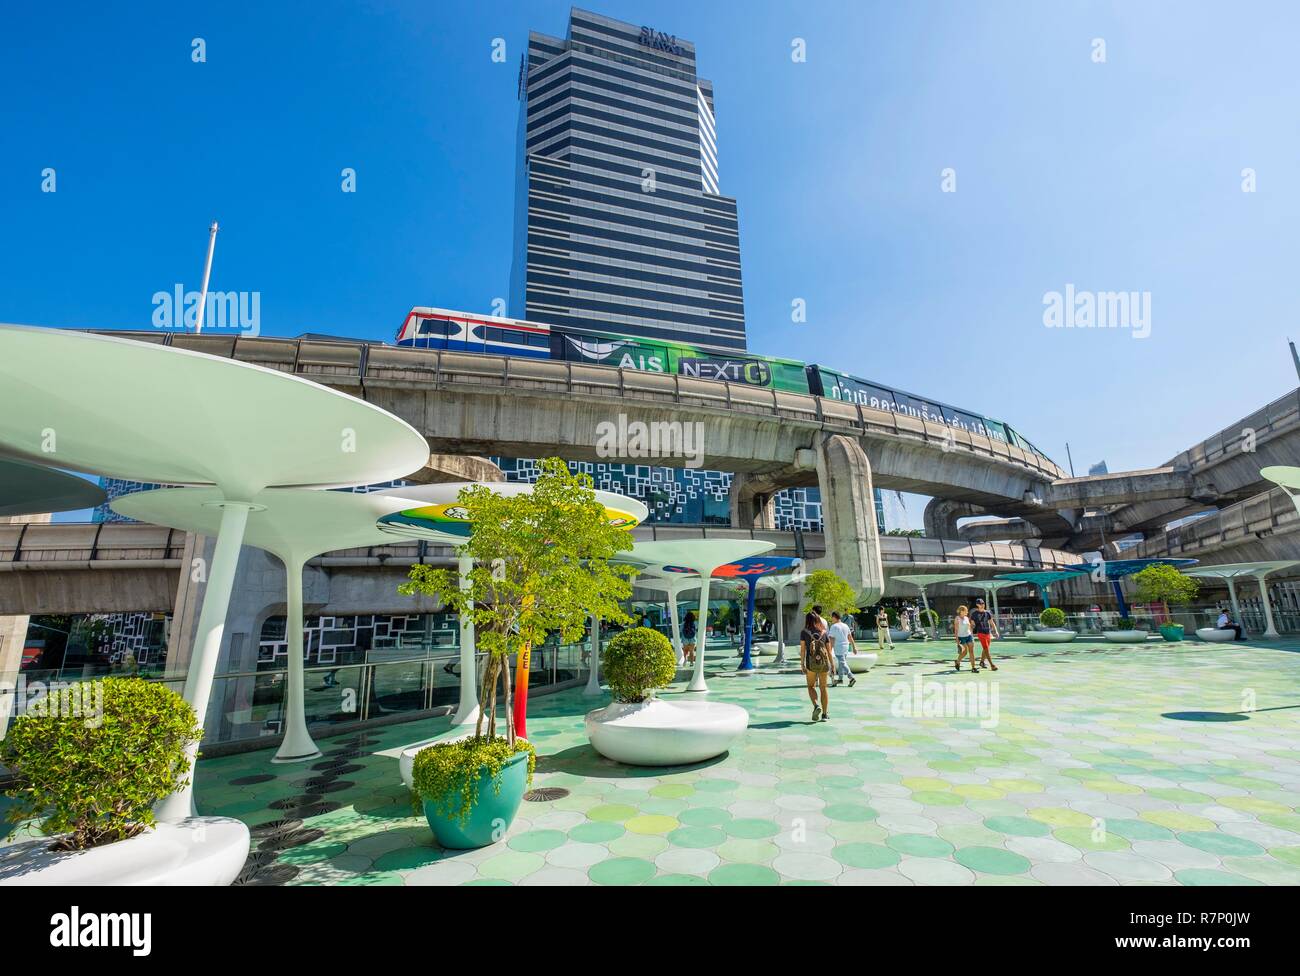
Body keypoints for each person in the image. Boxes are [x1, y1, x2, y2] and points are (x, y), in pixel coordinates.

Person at [800, 611, 832, 721]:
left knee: (811, 686)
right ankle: (824, 715)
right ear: (817, 620)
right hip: (823, 663)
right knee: (823, 688)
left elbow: (803, 650)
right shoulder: (824, 632)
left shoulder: (804, 632)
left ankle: (816, 705)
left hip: (811, 664)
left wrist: (802, 665)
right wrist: (832, 665)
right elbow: (828, 651)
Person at [828, 610, 857, 687]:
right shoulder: (845, 625)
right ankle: (840, 679)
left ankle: (851, 677)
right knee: (842, 663)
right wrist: (854, 647)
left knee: (842, 663)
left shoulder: (834, 627)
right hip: (846, 647)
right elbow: (850, 637)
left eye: (832, 617)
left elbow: (832, 639)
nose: (831, 619)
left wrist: (829, 650)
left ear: (834, 617)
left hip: (839, 647)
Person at [970, 597, 999, 671]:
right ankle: (992, 665)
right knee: (986, 649)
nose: (982, 605)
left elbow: (992, 623)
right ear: (977, 605)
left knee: (986, 649)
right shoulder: (974, 614)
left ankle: (982, 662)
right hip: (981, 633)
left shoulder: (987, 613)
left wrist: (996, 631)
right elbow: (972, 625)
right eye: (980, 604)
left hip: (988, 633)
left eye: (983, 603)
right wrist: (971, 635)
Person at [953, 604, 977, 672]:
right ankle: (957, 661)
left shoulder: (967, 618)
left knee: (971, 651)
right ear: (962, 611)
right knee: (964, 652)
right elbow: (956, 630)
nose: (967, 612)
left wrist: (972, 634)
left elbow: (969, 627)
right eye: (966, 611)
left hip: (969, 636)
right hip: (961, 637)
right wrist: (957, 639)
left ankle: (973, 667)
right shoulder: (957, 618)